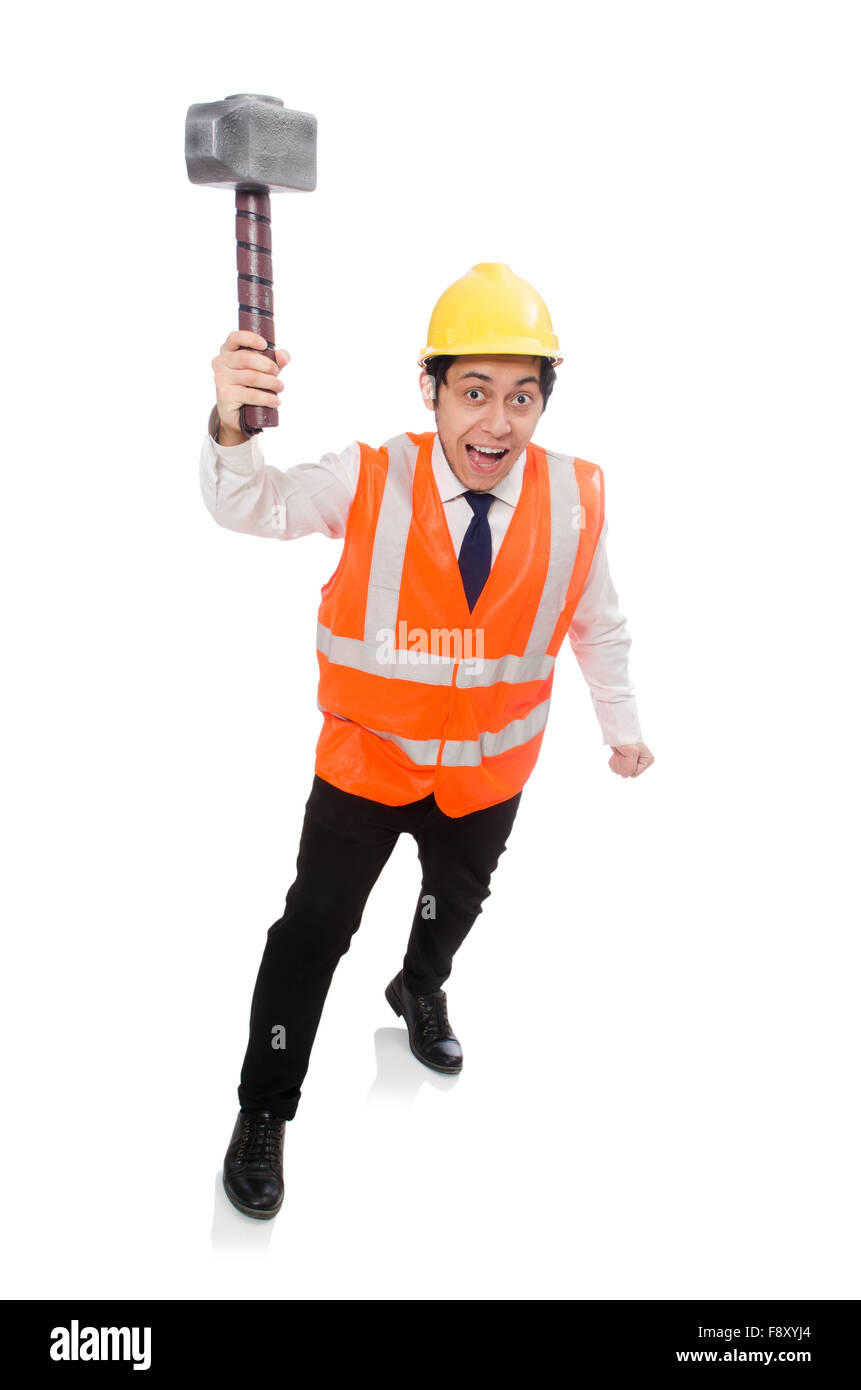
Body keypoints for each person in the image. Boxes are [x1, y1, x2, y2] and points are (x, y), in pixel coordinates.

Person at [199, 262, 655, 1220]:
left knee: (454, 907)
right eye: (474, 392)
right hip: (367, 767)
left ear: (544, 402)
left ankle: (418, 989)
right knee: (312, 935)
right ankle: (262, 1112)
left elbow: (596, 623)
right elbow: (252, 506)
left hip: (487, 774)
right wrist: (233, 426)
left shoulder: (573, 499)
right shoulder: (370, 478)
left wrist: (623, 731)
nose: (496, 423)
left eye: (521, 397)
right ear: (431, 389)